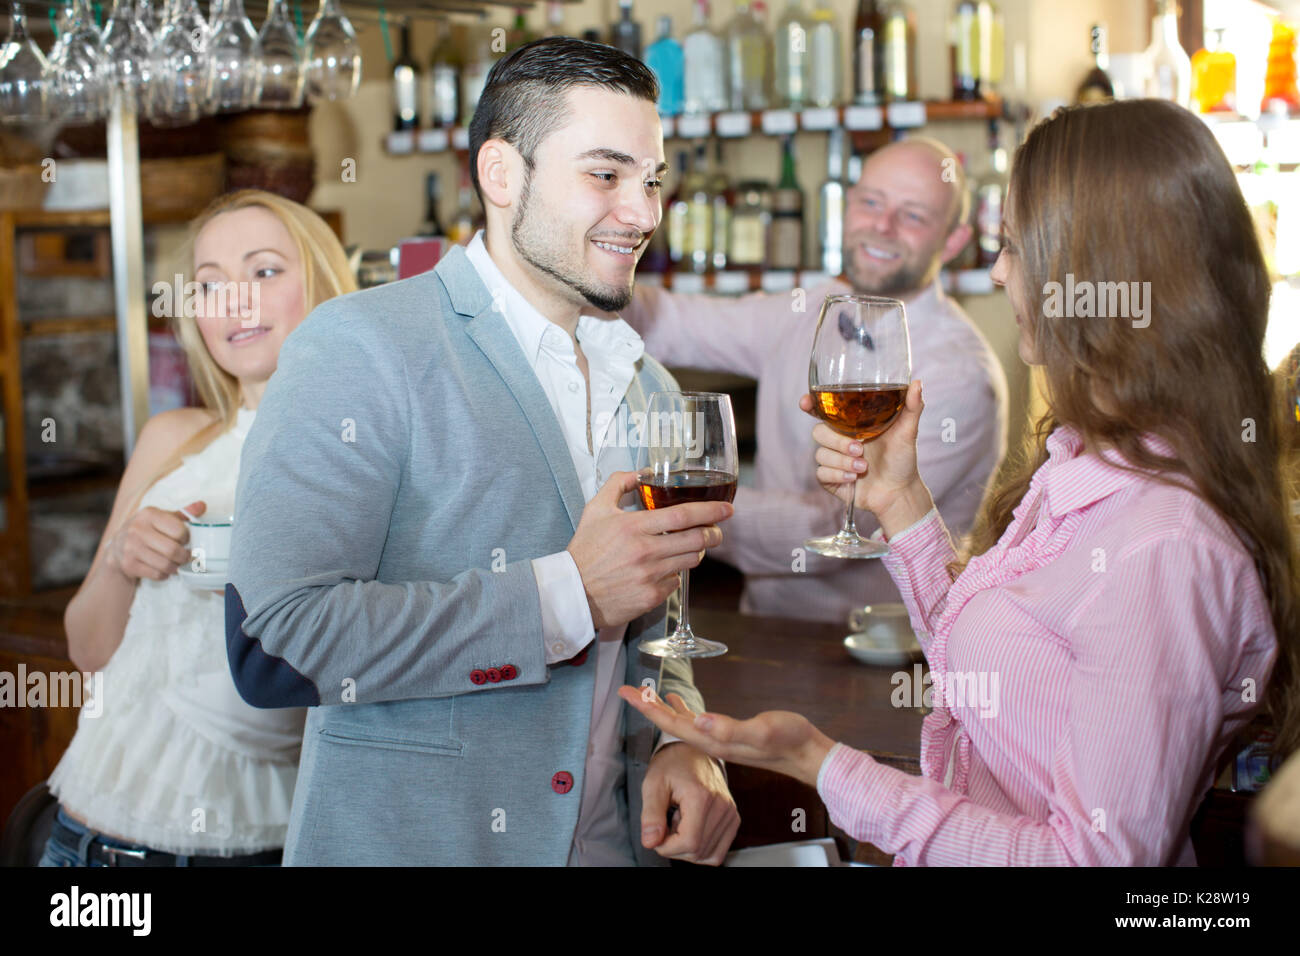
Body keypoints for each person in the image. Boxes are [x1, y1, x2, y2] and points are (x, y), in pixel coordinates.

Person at [620, 99, 1299, 866]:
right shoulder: (1086, 461)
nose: (1002, 270)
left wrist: (825, 765)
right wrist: (901, 500)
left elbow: (1094, 862)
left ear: (1098, 275)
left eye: (1016, 246)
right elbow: (997, 662)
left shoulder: (1165, 547)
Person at [224, 37, 740, 866]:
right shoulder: (360, 346)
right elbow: (274, 642)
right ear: (502, 176)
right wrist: (564, 595)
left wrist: (683, 739)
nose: (643, 212)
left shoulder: (653, 390)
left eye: (651, 180)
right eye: (605, 175)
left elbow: (654, 629)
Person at [40, 190, 357, 866]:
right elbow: (88, 649)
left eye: (265, 272)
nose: (234, 302)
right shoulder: (172, 439)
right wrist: (121, 561)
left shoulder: (361, 458)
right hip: (82, 839)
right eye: (210, 285)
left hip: (243, 849)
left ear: (325, 287)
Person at [621, 137, 1008, 625]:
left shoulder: (961, 374)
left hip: (889, 651)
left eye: (913, 215)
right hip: (765, 629)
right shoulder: (815, 307)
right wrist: (593, 279)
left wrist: (664, 506)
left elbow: (837, 530)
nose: (882, 226)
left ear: (952, 241)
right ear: (847, 208)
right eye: (871, 203)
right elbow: (675, 323)